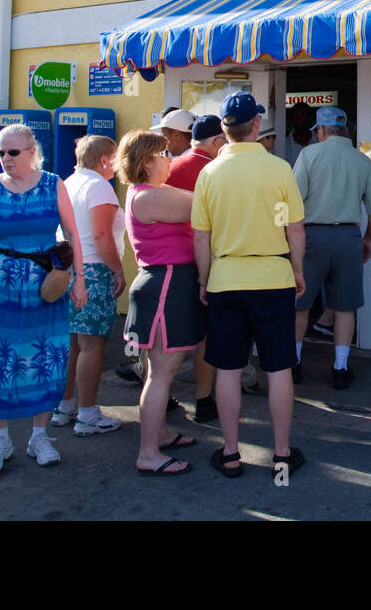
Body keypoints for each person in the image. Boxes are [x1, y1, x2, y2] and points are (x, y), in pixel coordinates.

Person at [0, 124, 87, 473]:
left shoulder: (53, 184)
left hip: (44, 287)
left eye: (12, 152)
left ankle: (39, 436)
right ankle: (0, 440)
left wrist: (80, 281)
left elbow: (72, 234)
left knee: (41, 357)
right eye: (0, 153)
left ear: (31, 152)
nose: (5, 159)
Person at [192, 92, 306, 478]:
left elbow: (201, 237)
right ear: (256, 125)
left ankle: (230, 452)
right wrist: (298, 271)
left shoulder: (209, 173)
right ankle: (281, 452)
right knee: (278, 368)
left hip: (226, 278)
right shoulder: (279, 169)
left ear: (224, 129)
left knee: (227, 368)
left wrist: (204, 279)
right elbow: (294, 228)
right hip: (273, 276)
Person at [118, 129, 205, 475]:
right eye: (163, 154)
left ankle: (161, 436)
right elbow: (206, 202)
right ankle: (148, 454)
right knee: (160, 374)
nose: (169, 159)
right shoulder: (149, 197)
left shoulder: (152, 192)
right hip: (166, 284)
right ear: (146, 161)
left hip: (167, 283)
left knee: (160, 372)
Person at [163, 114, 254, 417]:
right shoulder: (214, 170)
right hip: (202, 258)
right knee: (204, 336)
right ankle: (203, 399)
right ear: (217, 141)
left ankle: (160, 395)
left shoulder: (170, 166)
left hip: (167, 260)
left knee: (167, 337)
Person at [291, 106, 371, 388]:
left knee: (300, 303)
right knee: (345, 307)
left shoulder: (308, 154)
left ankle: (294, 363)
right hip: (347, 237)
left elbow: (293, 202)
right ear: (345, 131)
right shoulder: (361, 160)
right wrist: (368, 238)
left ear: (320, 130)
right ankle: (340, 368)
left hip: (312, 237)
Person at [51, 135, 126, 435]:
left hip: (68, 269)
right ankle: (87, 415)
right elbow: (101, 237)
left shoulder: (69, 183)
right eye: (116, 158)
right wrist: (118, 271)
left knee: (72, 343)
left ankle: (65, 406)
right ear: (105, 160)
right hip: (94, 271)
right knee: (92, 345)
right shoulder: (99, 187)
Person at [284, 102, 314, 168]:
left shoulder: (319, 140)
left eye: (301, 116)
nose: (297, 119)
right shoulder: (284, 143)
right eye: (295, 116)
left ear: (308, 118)